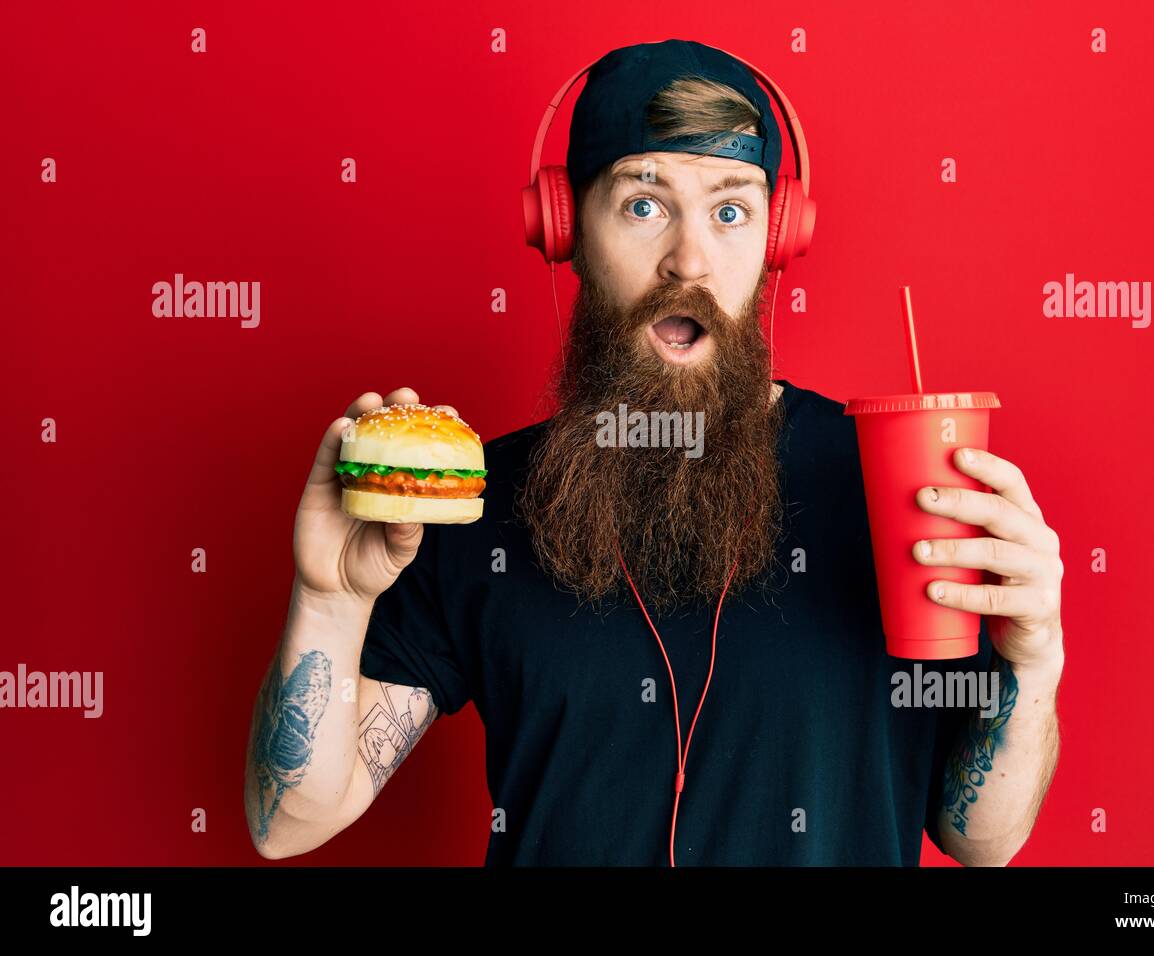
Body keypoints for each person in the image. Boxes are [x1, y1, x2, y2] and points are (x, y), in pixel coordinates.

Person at [244, 39, 1065, 866]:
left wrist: (1033, 661)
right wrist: (329, 599)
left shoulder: (893, 488)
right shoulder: (463, 510)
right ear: (564, 227)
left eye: (731, 209)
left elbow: (982, 840)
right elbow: (289, 822)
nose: (690, 259)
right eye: (643, 204)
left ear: (779, 238)